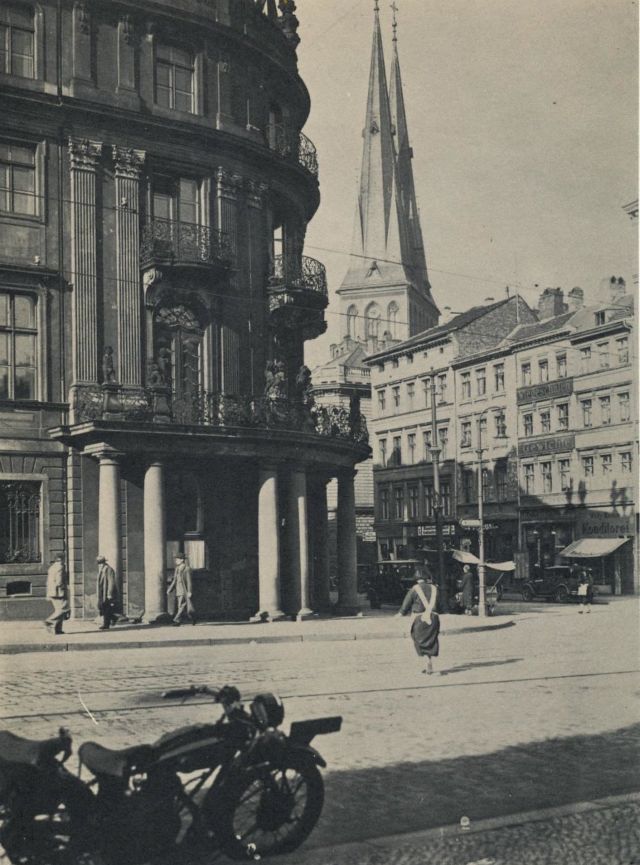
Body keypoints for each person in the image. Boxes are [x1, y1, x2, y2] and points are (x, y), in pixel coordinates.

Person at [396, 569, 440, 674]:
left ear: (416, 579)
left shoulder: (415, 589)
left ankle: (426, 662)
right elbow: (441, 604)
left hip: (420, 619)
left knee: (418, 639)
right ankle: (429, 662)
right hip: (434, 618)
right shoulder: (435, 588)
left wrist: (400, 613)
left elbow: (406, 604)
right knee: (431, 640)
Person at [44, 553, 69, 635]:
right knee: (64, 609)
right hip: (59, 592)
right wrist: (65, 588)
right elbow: (59, 581)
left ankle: (57, 629)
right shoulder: (60, 567)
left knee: (59, 610)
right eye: (64, 558)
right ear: (61, 559)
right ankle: (49, 621)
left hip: (52, 592)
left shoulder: (52, 567)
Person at [168, 553, 196, 625]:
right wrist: (170, 589)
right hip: (178, 590)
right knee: (181, 606)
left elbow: (189, 581)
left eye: (177, 559)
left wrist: (189, 591)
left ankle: (177, 620)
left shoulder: (187, 569)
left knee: (182, 605)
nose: (176, 561)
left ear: (182, 560)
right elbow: (175, 580)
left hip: (184, 590)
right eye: (176, 559)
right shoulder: (177, 569)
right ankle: (193, 617)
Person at [96, 555, 118, 630]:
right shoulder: (101, 570)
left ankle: (106, 624)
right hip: (102, 592)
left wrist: (110, 593)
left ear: (104, 562)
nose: (100, 564)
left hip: (107, 592)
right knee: (102, 607)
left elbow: (111, 582)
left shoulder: (109, 569)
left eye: (101, 562)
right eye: (99, 563)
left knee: (106, 608)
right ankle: (113, 618)